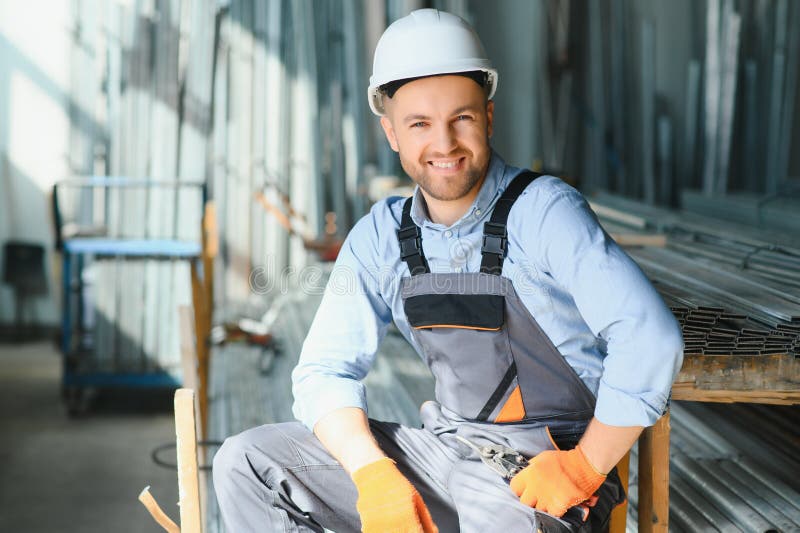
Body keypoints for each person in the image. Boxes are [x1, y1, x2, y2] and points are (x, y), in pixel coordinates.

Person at [213, 8, 683, 533]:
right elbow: (324, 371)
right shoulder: (381, 236)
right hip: (444, 456)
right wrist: (373, 476)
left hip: (538, 474)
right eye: (419, 124)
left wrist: (584, 466)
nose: (444, 144)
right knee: (247, 462)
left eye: (461, 117)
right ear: (391, 133)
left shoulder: (546, 213)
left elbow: (649, 339)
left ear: (488, 117)